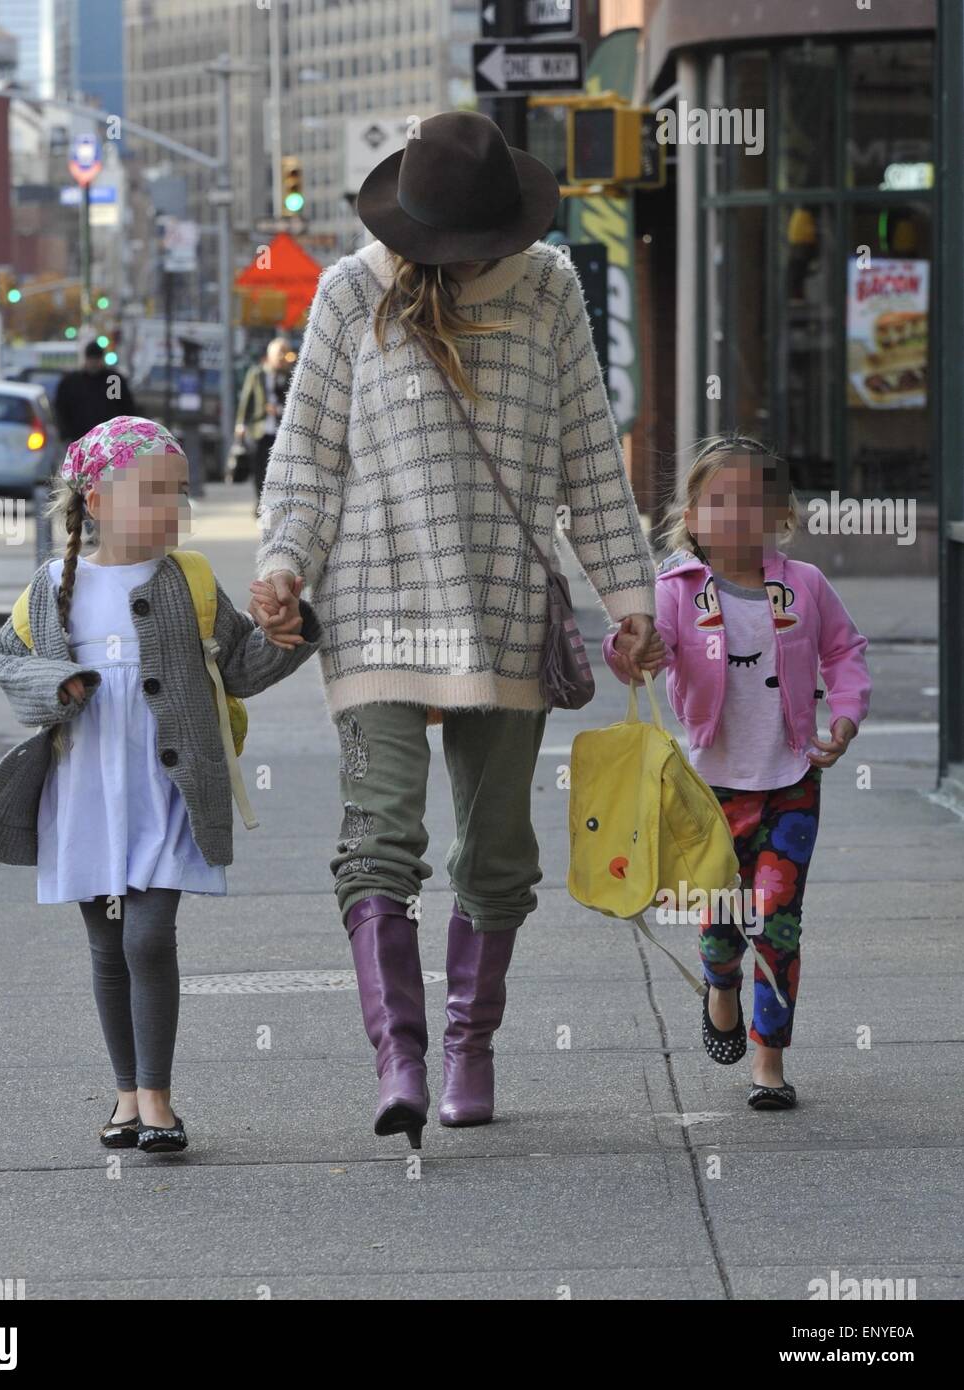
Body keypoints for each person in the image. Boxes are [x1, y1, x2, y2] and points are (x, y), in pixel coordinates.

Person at [249, 110, 657, 1148]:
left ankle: (472, 1041)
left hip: (504, 601)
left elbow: (588, 457)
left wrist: (631, 600)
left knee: (498, 850)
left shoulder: (551, 290)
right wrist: (284, 564)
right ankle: (401, 1053)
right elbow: (307, 457)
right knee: (381, 836)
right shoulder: (350, 294)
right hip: (375, 595)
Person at [0, 416, 321, 1152]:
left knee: (150, 936)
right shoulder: (51, 588)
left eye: (177, 494)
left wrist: (295, 631)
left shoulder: (186, 580)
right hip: (86, 794)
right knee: (108, 945)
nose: (171, 510)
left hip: (165, 793)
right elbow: (8, 662)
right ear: (94, 500)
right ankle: (127, 1099)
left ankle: (158, 1097)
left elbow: (244, 666)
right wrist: (56, 683)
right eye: (152, 493)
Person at [604, 434, 872, 1110]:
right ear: (691, 516)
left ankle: (769, 1060)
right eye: (719, 501)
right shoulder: (675, 590)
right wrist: (634, 648)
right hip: (706, 791)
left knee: (778, 923)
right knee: (723, 927)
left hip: (791, 784)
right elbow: (630, 648)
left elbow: (845, 653)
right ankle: (720, 984)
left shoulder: (802, 586)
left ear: (779, 515)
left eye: (754, 501)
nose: (737, 514)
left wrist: (843, 715)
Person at [234, 338, 291, 501]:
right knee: (259, 470)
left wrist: (278, 410)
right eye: (279, 353)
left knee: (279, 470)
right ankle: (260, 504)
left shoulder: (288, 376)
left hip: (280, 431)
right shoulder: (257, 373)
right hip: (259, 429)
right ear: (270, 355)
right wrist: (240, 424)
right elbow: (246, 400)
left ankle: (274, 502)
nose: (282, 357)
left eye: (285, 353)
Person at [54, 341, 137, 445]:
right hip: (80, 438)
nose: (94, 363)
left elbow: (125, 408)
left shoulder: (113, 380)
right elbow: (61, 409)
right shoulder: (71, 382)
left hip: (109, 440)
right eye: (91, 359)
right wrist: (66, 435)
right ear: (86, 359)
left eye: (96, 359)